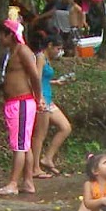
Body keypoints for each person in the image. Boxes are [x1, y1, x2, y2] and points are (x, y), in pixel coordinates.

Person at [0, 21, 42, 196]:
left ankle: (13, 183)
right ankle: (28, 182)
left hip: (22, 102)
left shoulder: (22, 50)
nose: (0, 38)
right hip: (15, 103)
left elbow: (34, 76)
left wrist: (38, 99)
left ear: (10, 35)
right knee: (24, 144)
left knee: (20, 146)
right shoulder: (11, 52)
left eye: (2, 35)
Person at [31, 43, 73, 178]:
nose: (59, 51)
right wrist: (40, 98)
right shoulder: (40, 57)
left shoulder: (47, 59)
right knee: (39, 135)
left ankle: (47, 158)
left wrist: (55, 82)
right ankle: (35, 168)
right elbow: (36, 78)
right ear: (49, 45)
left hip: (49, 99)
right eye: (57, 48)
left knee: (65, 127)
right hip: (42, 99)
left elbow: (43, 79)